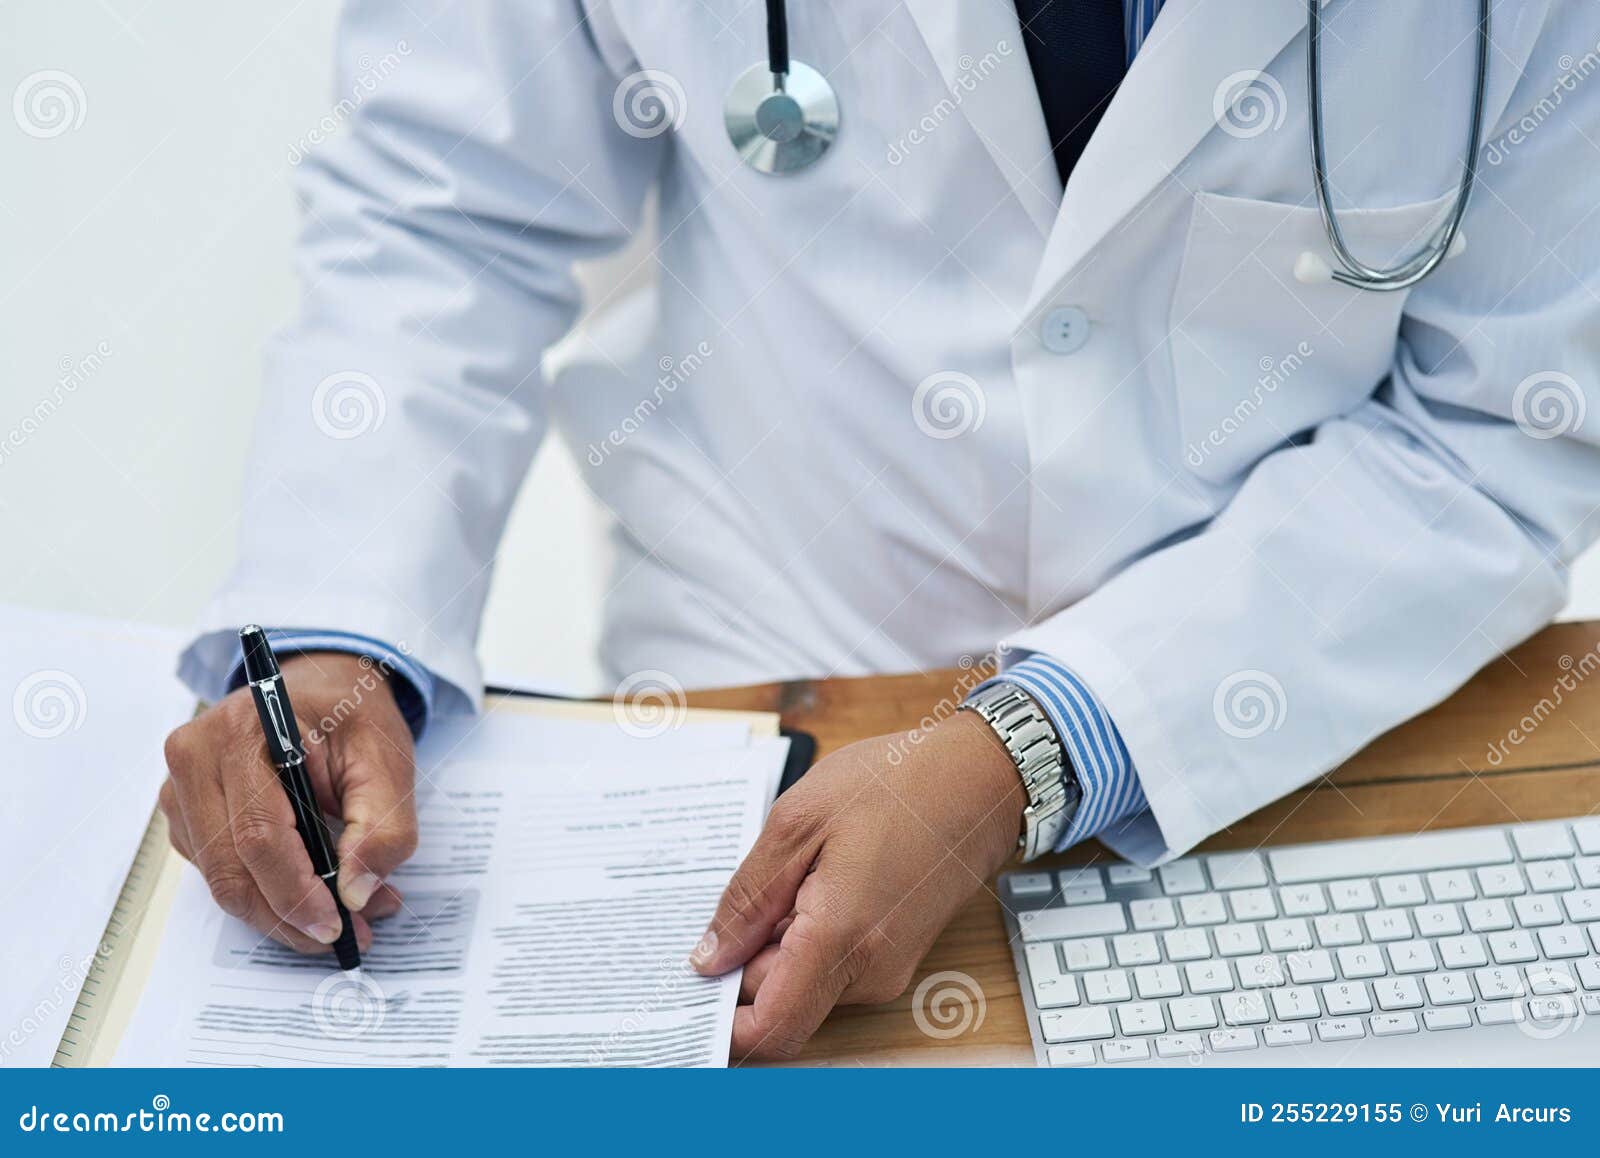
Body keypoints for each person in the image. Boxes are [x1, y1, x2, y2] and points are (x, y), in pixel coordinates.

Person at [159, 0, 1600, 1060]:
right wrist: (341, 628)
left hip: (1291, 707)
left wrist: (1040, 742)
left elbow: (1497, 433)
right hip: (777, 663)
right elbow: (449, 214)